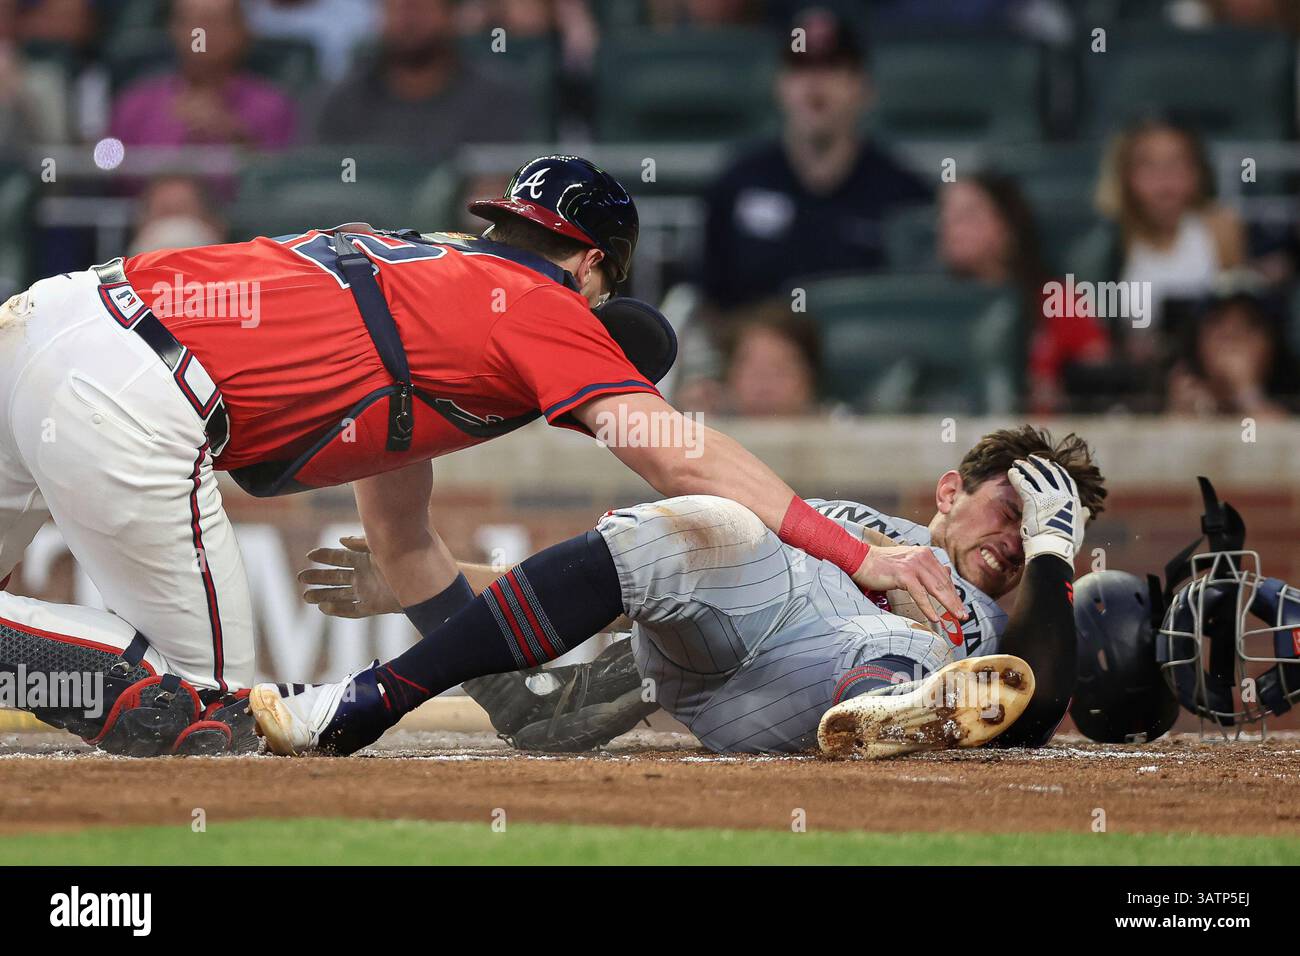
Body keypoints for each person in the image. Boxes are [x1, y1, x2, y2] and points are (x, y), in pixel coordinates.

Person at [0, 154, 964, 757]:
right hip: (131, 389)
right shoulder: (543, 303)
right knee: (205, 721)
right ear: (592, 267)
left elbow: (403, 539)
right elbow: (679, 456)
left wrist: (508, 686)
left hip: (48, 321)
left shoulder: (423, 290)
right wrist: (861, 553)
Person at [258, 425, 1105, 758]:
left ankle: (890, 715)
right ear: (952, 490)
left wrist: (1053, 556)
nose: (1012, 534)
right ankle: (371, 696)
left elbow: (1034, 708)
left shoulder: (1029, 618)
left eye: (1033, 527)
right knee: (701, 520)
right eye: (1010, 507)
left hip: (805, 689)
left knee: (915, 653)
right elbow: (607, 581)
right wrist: (432, 583)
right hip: (716, 632)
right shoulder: (860, 524)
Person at [699, 7, 929, 313]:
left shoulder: (903, 194)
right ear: (780, 85)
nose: (814, 84)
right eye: (800, 66)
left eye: (832, 66)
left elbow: (914, 310)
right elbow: (709, 302)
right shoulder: (737, 184)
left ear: (863, 87)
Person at [938, 173, 1110, 415]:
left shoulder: (1057, 299)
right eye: (946, 216)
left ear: (1007, 226)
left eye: (967, 216)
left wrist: (1062, 393)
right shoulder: (935, 309)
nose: (950, 228)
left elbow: (1103, 381)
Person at [1089, 119, 1246, 348]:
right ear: (1125, 176)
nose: (1164, 179)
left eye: (1177, 163)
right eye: (1148, 165)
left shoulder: (1220, 229)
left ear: (1197, 172)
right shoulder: (1105, 246)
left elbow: (1241, 319)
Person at [314, 0, 535, 153]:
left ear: (451, 16)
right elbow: (328, 182)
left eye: (419, 8)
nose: (407, 21)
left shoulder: (496, 98)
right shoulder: (345, 99)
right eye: (396, 9)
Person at [109, 0, 298, 149]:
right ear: (173, 30)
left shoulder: (272, 108)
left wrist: (239, 138)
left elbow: (282, 182)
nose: (200, 34)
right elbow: (102, 168)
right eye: (190, 21)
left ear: (241, 31)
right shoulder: (136, 104)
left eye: (212, 21)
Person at [1165, 289, 1298, 420]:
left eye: (1247, 325)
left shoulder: (1291, 397)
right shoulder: (1183, 394)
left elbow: (1275, 435)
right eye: (1217, 322)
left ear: (1272, 342)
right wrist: (1180, 413)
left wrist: (1248, 394)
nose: (1231, 337)